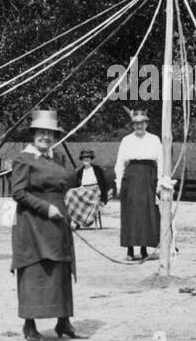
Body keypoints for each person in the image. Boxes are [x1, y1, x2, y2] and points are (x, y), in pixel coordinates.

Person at [11, 110, 79, 341]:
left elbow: (64, 186)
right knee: (34, 270)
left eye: (50, 134)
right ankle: (29, 326)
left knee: (60, 269)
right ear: (33, 134)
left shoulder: (56, 158)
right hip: (33, 223)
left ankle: (63, 321)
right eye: (41, 133)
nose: (45, 137)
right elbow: (18, 193)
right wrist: (46, 208)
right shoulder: (23, 158)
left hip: (59, 222)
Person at [114, 108, 162, 261]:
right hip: (132, 176)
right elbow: (120, 162)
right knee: (131, 213)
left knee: (146, 213)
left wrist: (160, 182)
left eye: (142, 123)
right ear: (132, 125)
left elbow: (161, 161)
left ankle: (143, 248)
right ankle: (129, 249)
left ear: (146, 124)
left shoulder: (154, 139)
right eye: (136, 124)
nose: (139, 126)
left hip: (149, 176)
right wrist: (118, 183)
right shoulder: (126, 140)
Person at [66, 148, 111, 229]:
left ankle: (86, 219)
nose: (86, 160)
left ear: (91, 159)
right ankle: (75, 220)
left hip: (94, 191)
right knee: (70, 193)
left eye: (88, 158)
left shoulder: (97, 169)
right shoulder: (80, 171)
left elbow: (104, 184)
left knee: (87, 193)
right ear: (82, 160)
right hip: (83, 191)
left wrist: (104, 200)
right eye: (84, 158)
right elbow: (77, 185)